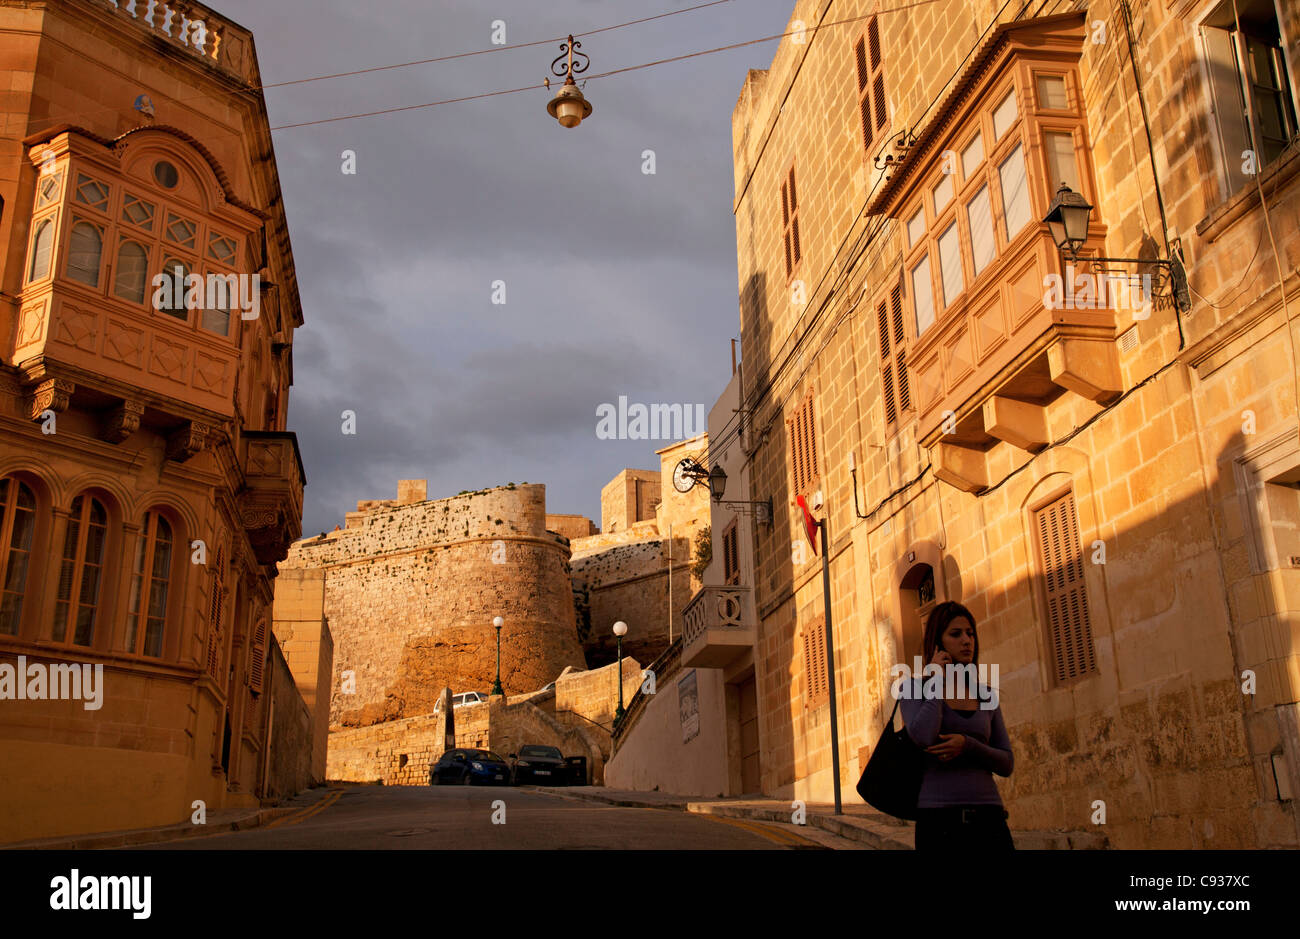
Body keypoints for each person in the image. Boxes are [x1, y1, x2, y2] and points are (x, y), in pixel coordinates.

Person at [900, 600, 1014, 850]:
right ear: (938, 643)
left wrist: (968, 745)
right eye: (956, 634)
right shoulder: (912, 689)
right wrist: (937, 683)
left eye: (970, 633)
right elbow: (922, 736)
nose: (967, 640)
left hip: (990, 818)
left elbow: (1006, 763)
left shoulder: (985, 696)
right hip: (939, 821)